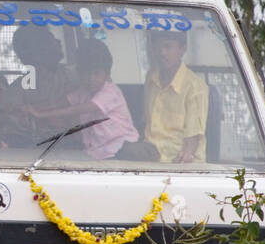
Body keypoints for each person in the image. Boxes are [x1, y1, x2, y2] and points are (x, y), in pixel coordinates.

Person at [27, 39, 138, 159]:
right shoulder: (83, 92)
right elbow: (59, 103)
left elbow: (74, 110)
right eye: (86, 74)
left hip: (122, 150)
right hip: (97, 153)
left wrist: (41, 114)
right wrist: (31, 108)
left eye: (97, 73)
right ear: (79, 73)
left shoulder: (110, 92)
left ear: (107, 74)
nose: (91, 79)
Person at [144, 29, 208, 163]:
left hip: (178, 164)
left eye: (168, 46)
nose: (162, 53)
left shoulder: (195, 86)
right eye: (158, 46)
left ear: (182, 49)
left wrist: (183, 161)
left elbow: (192, 140)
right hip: (147, 159)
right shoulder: (151, 77)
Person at [7, 25, 78, 114]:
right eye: (49, 40)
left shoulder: (78, 76)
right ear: (33, 50)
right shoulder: (16, 92)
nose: (58, 42)